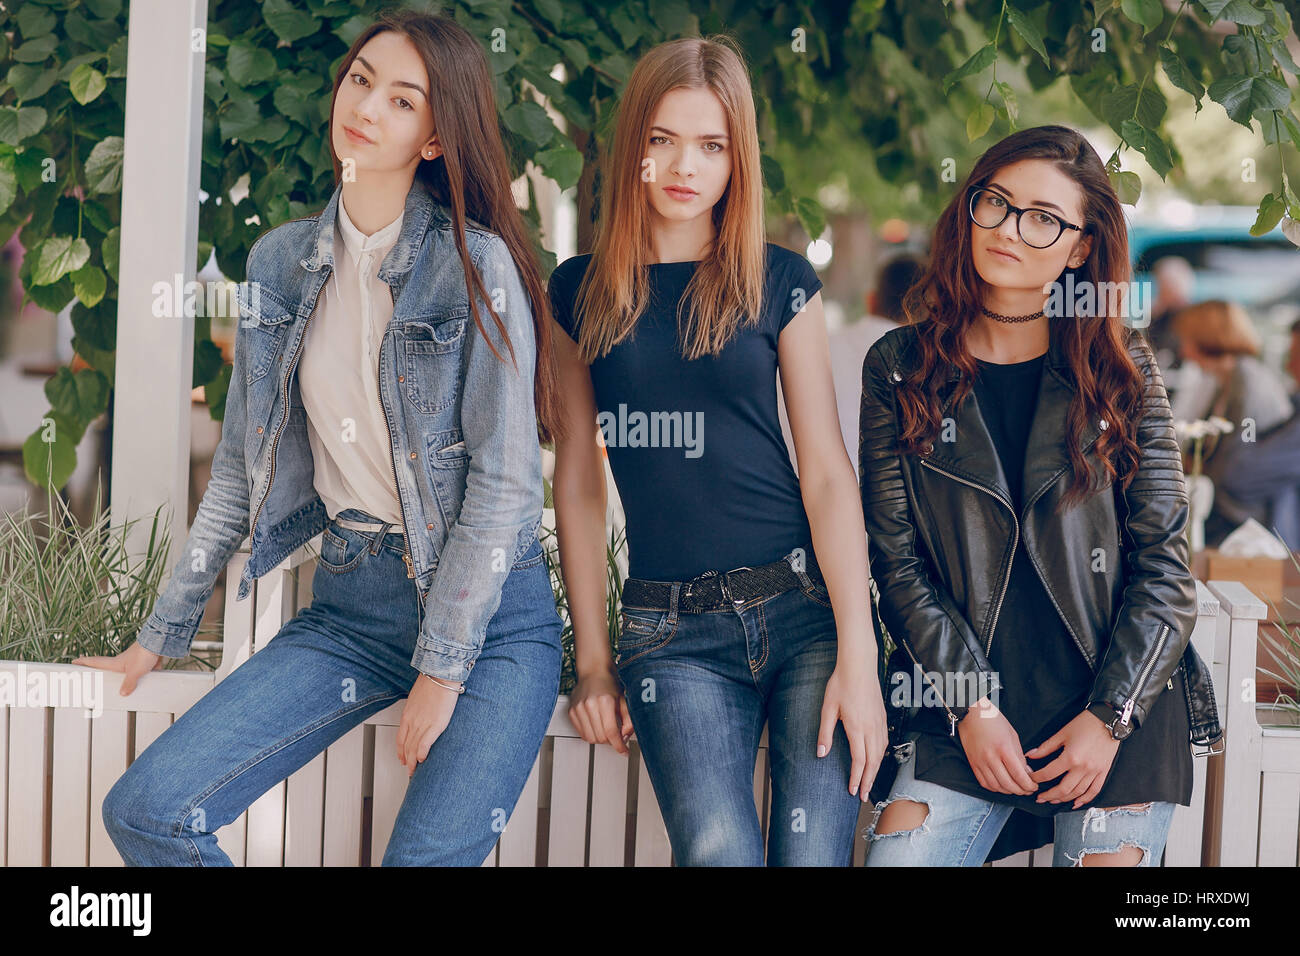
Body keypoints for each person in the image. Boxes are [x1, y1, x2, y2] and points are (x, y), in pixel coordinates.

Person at [78, 11, 565, 866]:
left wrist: (443, 668)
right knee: (149, 810)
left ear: (436, 138)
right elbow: (240, 469)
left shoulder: (474, 266)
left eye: (403, 99)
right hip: (351, 610)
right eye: (361, 80)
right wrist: (160, 632)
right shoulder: (277, 264)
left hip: (491, 627)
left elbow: (506, 486)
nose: (367, 106)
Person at [548, 36, 887, 866]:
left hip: (806, 613)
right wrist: (593, 663)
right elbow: (580, 478)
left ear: (739, 160)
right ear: (633, 147)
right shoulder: (577, 292)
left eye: (711, 145)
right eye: (661, 140)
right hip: (670, 635)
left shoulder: (780, 281)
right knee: (718, 854)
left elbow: (826, 473)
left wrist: (860, 650)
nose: (683, 166)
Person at [858, 125, 1222, 866]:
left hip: (1112, 707)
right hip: (964, 707)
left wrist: (1111, 716)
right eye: (996, 202)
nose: (1009, 230)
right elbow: (898, 565)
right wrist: (970, 703)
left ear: (1081, 247)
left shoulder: (1123, 370)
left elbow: (1164, 567)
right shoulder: (899, 367)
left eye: (1044, 219)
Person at [1175, 303, 1300, 548]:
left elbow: (1237, 469)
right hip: (1235, 515)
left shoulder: (1248, 384)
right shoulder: (1229, 381)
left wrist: (1201, 467)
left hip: (1249, 527)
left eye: (1187, 340)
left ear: (1207, 338)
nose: (1183, 350)